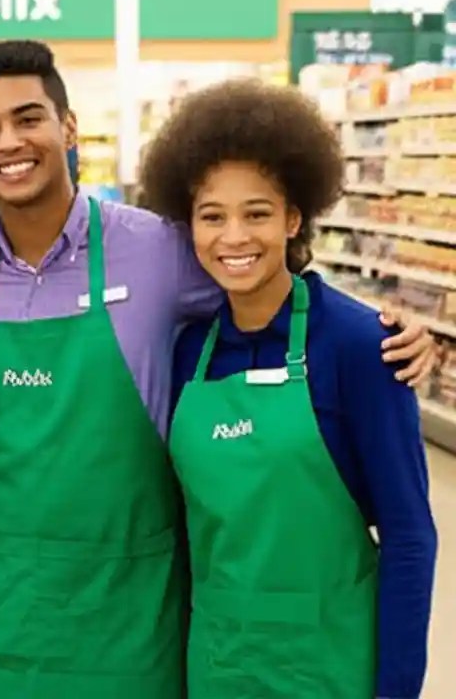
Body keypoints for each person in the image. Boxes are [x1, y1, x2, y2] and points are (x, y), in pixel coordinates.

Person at [0, 40, 437, 698]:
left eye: (29, 117)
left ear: (68, 128)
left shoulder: (161, 249)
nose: (9, 141)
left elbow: (263, 273)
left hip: (133, 618)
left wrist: (386, 323)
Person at [141, 79, 438, 699]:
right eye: (211, 216)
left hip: (328, 663)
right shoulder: (188, 351)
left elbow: (410, 536)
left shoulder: (358, 344)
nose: (233, 238)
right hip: (219, 662)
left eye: (257, 213)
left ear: (293, 217)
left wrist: (399, 689)